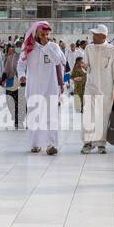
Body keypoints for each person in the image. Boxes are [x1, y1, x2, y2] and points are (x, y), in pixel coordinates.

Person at [17, 20, 66, 155]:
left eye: (47, 34)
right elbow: (20, 64)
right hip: (33, 87)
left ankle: (51, 145)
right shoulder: (28, 48)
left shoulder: (54, 46)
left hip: (50, 86)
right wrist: (21, 75)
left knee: (51, 117)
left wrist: (46, 46)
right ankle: (35, 144)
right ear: (36, 34)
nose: (45, 37)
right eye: (42, 34)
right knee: (34, 116)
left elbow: (58, 61)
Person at [81, 24, 114, 154]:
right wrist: (83, 66)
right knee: (89, 115)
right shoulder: (89, 48)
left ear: (103, 36)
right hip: (91, 87)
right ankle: (88, 142)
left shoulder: (113, 50)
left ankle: (101, 143)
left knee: (104, 116)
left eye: (96, 34)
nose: (93, 36)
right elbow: (85, 67)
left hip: (107, 88)